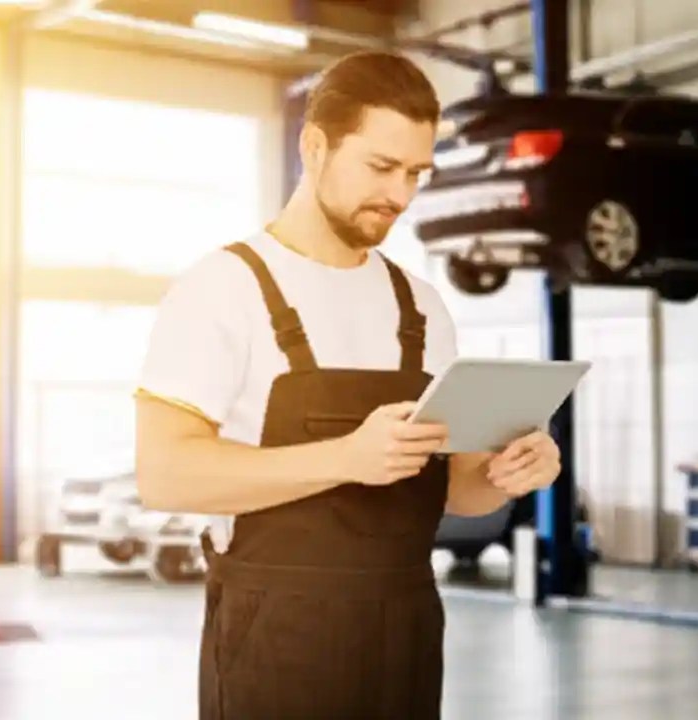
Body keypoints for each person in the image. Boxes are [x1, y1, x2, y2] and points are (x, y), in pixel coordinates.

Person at [134, 51, 563, 720]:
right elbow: (164, 475)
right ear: (315, 146)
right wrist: (344, 458)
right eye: (381, 167)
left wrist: (507, 473)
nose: (399, 194)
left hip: (406, 629)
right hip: (275, 636)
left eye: (416, 173)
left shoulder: (421, 307)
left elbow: (452, 488)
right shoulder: (224, 287)